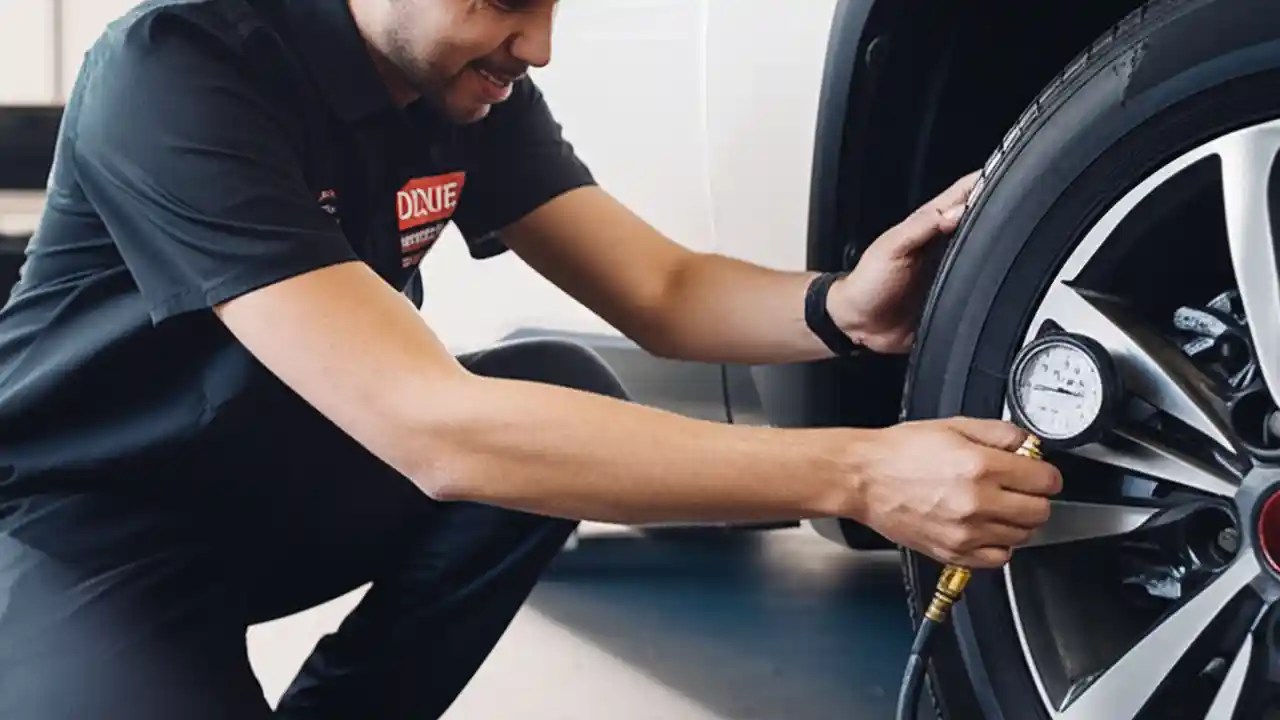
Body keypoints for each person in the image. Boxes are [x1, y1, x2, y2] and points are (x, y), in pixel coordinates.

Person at [0, 0, 1062, 717]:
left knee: (560, 387)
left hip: (279, 494)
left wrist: (841, 308)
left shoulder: (461, 84)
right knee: (493, 433)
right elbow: (430, 426)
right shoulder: (182, 64)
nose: (538, 45)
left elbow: (661, 291)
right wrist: (862, 471)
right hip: (84, 529)